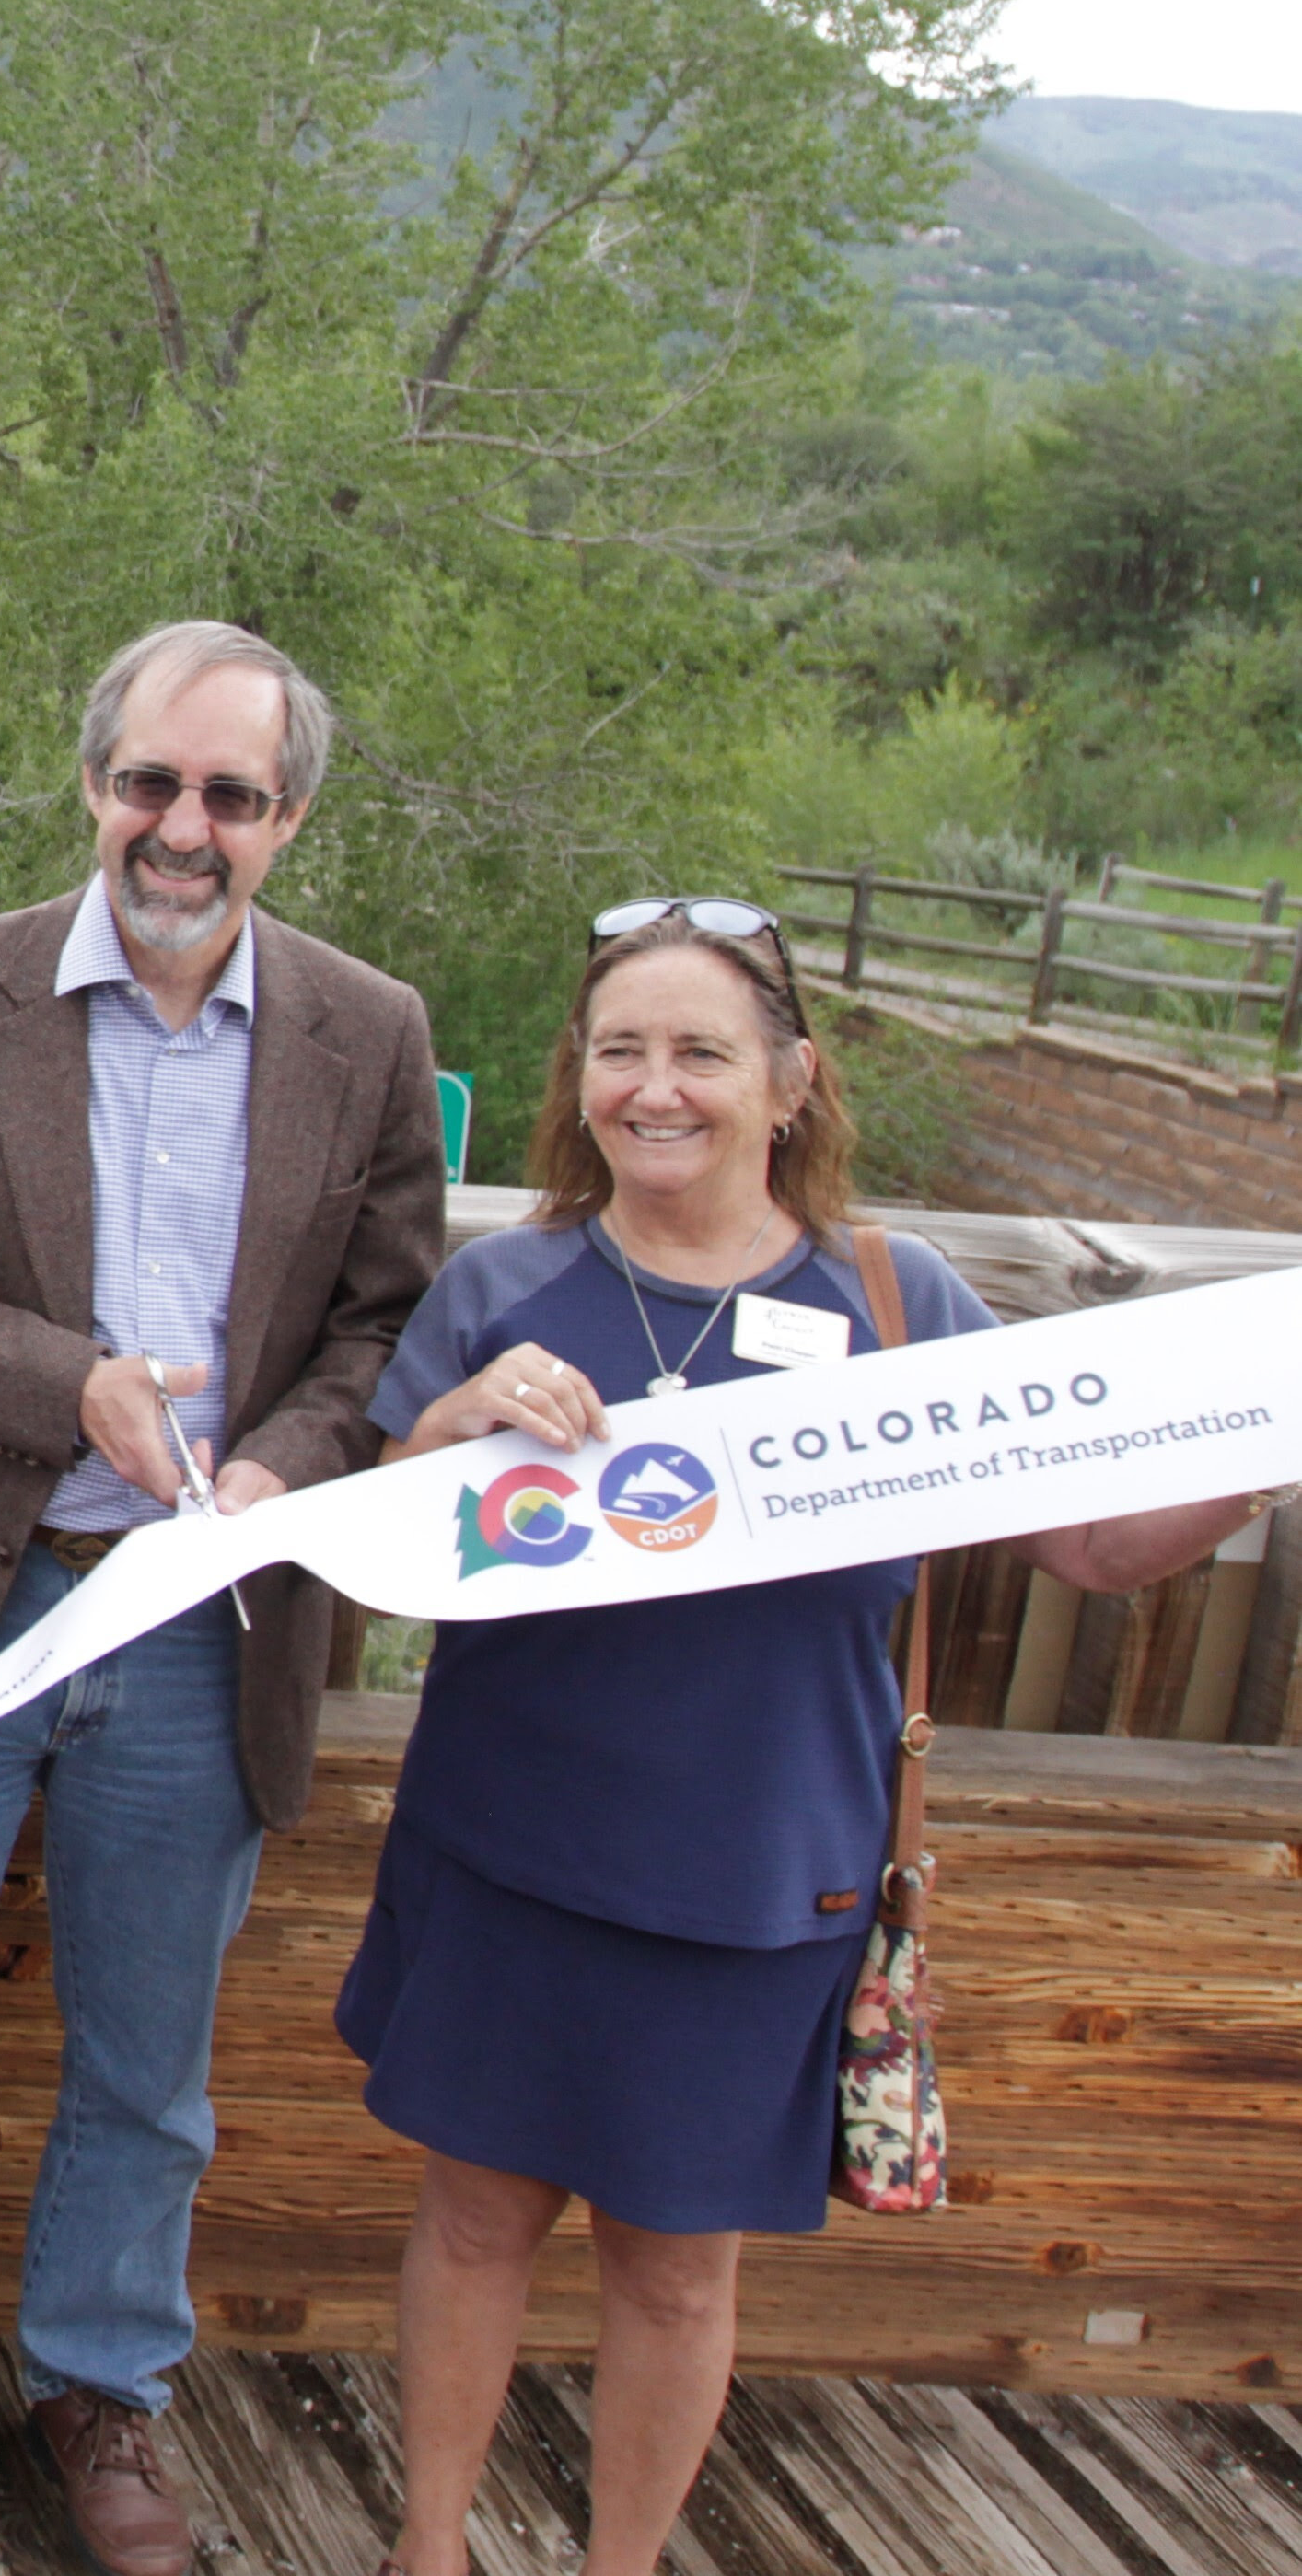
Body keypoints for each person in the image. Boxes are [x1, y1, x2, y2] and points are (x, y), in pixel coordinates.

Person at [347, 901, 1265, 2576]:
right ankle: (426, 2551)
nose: (655, 1088)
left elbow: (1088, 1544)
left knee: (677, 2270)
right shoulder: (505, 1285)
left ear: (790, 1084)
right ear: (579, 1080)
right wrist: (446, 1439)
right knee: (473, 2224)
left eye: (701, 1052)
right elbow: (384, 1550)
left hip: (760, 1884)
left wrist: (1268, 1435)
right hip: (510, 1852)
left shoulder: (895, 1304)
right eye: (620, 1051)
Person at [0, 623, 447, 2576]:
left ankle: (101, 2385)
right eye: (150, 783)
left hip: (201, 1623)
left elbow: (383, 1320)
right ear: (94, 785)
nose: (182, 828)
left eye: (230, 795)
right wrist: (73, 1387)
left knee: (149, 2067)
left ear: (289, 819)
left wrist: (282, 1466)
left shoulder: (371, 1031)